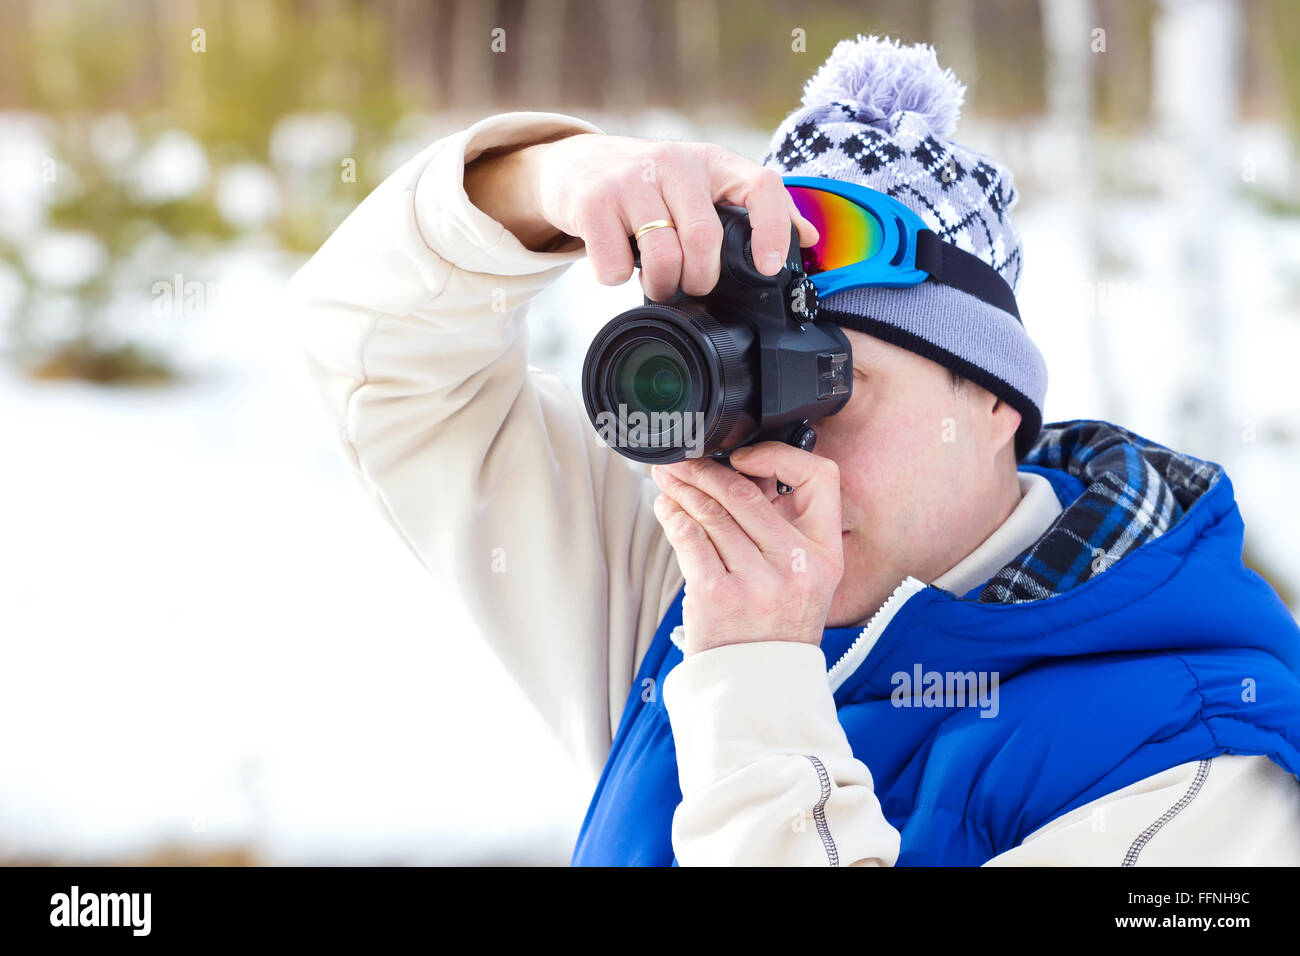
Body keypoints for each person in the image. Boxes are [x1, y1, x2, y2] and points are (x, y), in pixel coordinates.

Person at [288, 35, 1300, 866]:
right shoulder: (694, 582)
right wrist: (548, 176)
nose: (776, 458)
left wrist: (758, 685)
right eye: (743, 394)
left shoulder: (1204, 766)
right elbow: (379, 359)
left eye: (828, 387)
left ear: (995, 402)